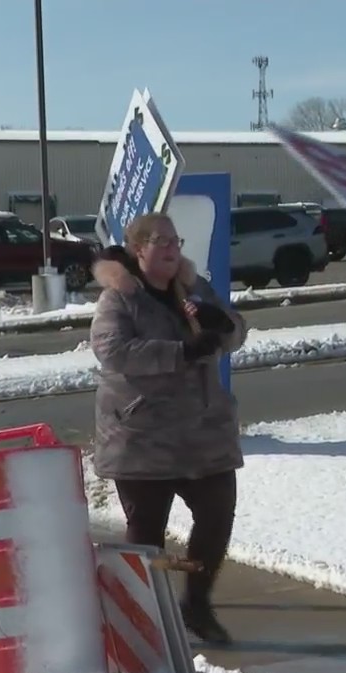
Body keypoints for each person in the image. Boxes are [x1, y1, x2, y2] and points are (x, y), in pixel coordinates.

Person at [88, 211, 248, 645]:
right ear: (139, 249)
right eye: (161, 241)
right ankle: (142, 619)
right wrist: (180, 351)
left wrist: (223, 325)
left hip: (202, 432)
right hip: (143, 437)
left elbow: (234, 331)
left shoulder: (192, 288)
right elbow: (112, 350)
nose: (173, 249)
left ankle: (196, 605)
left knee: (217, 516)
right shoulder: (120, 298)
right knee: (146, 536)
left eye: (176, 240)